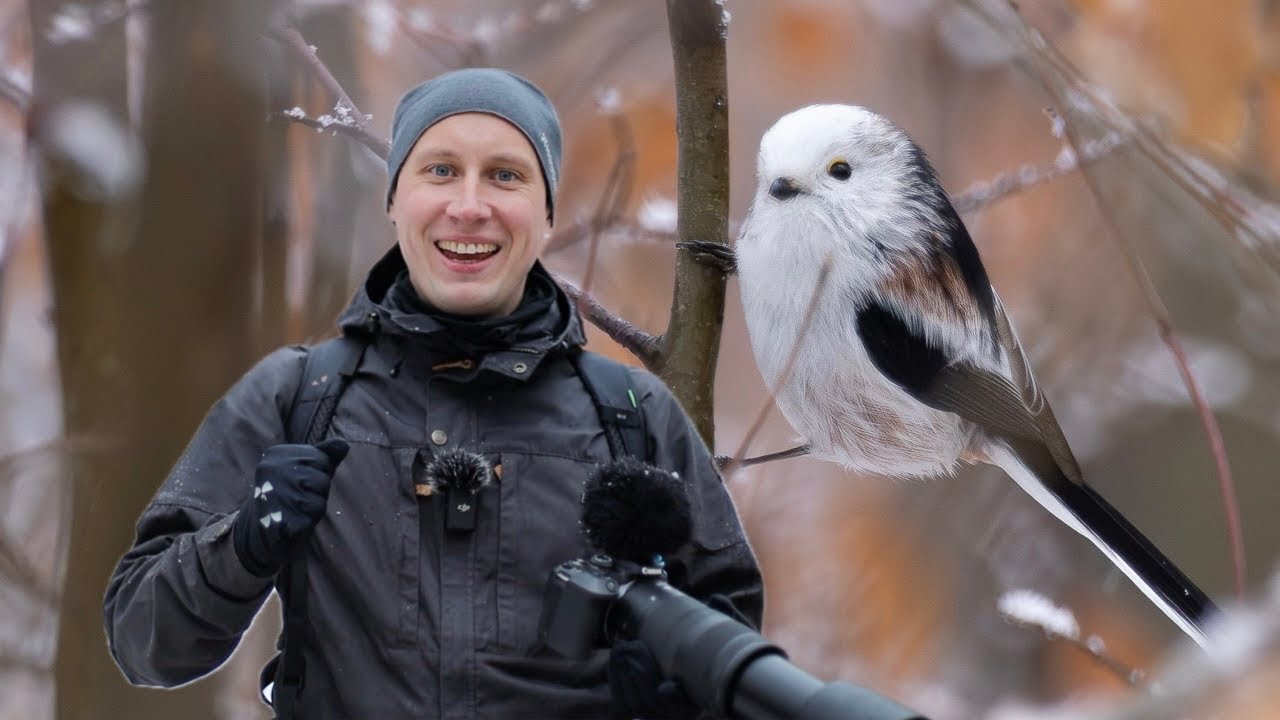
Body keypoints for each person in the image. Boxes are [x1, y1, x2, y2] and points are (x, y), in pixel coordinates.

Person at [102, 68, 763, 718]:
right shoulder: (295, 398)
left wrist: (676, 697)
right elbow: (142, 641)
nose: (469, 206)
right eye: (440, 170)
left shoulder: (632, 417)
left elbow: (737, 657)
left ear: (547, 212)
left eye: (505, 175)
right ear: (395, 198)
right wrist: (244, 542)